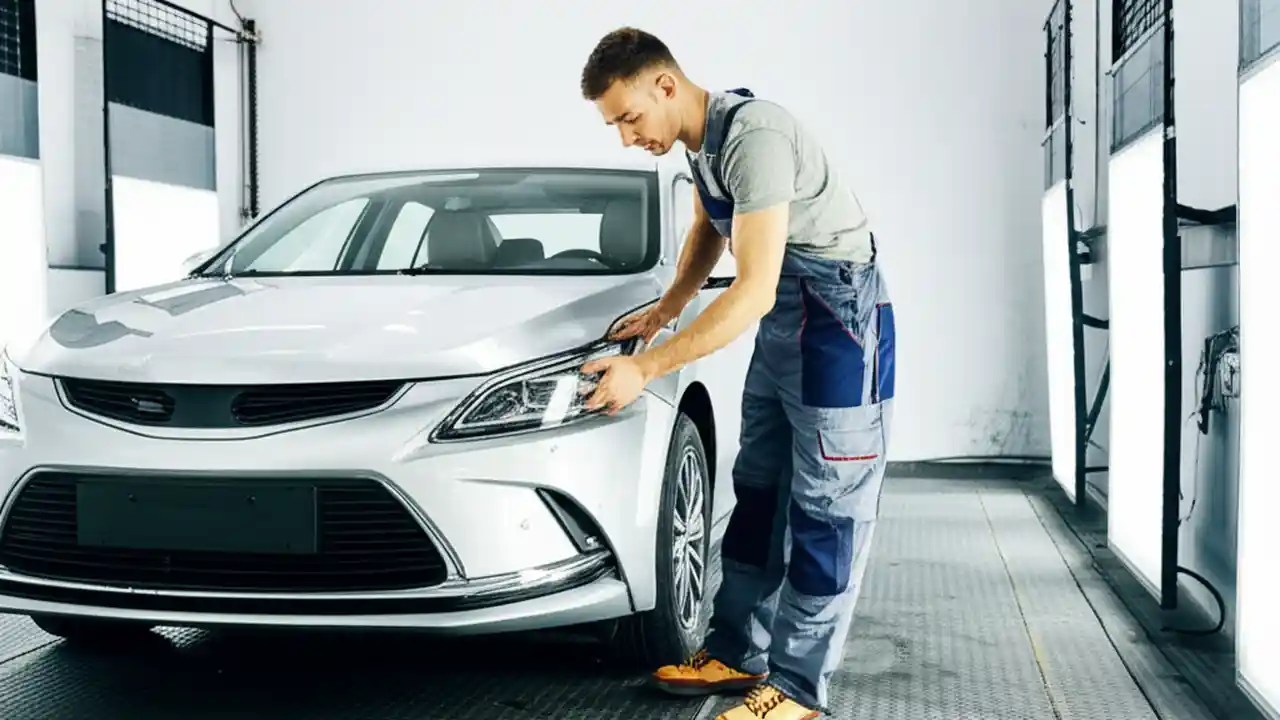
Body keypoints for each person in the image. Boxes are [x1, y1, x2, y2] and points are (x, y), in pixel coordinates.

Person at [577, 27, 895, 720]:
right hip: (791, 320)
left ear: (667, 85)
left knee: (826, 509)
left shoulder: (756, 136)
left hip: (839, 323)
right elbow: (708, 230)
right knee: (757, 493)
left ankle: (800, 688)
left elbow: (749, 291)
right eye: (614, 126)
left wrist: (647, 369)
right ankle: (737, 653)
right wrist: (664, 310)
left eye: (629, 118)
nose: (627, 139)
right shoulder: (705, 144)